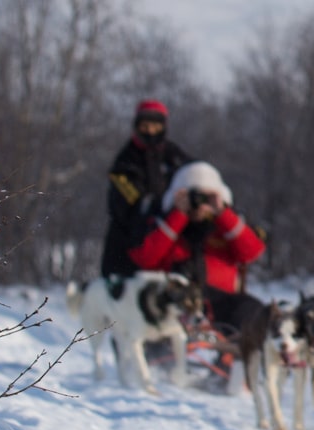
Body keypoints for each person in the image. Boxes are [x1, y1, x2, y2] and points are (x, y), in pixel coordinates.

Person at [128, 161, 268, 343]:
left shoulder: (227, 226)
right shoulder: (164, 225)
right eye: (194, 197)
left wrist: (222, 212)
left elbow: (252, 252)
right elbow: (145, 258)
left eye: (206, 197)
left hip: (222, 304)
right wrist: (178, 214)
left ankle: (236, 354)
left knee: (253, 311)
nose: (199, 204)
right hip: (177, 305)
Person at [101, 99, 192, 279]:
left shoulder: (174, 156)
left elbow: (196, 175)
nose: (150, 131)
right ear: (137, 126)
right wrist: (165, 205)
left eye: (155, 126)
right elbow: (128, 203)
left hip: (170, 245)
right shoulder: (125, 162)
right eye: (145, 126)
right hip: (128, 246)